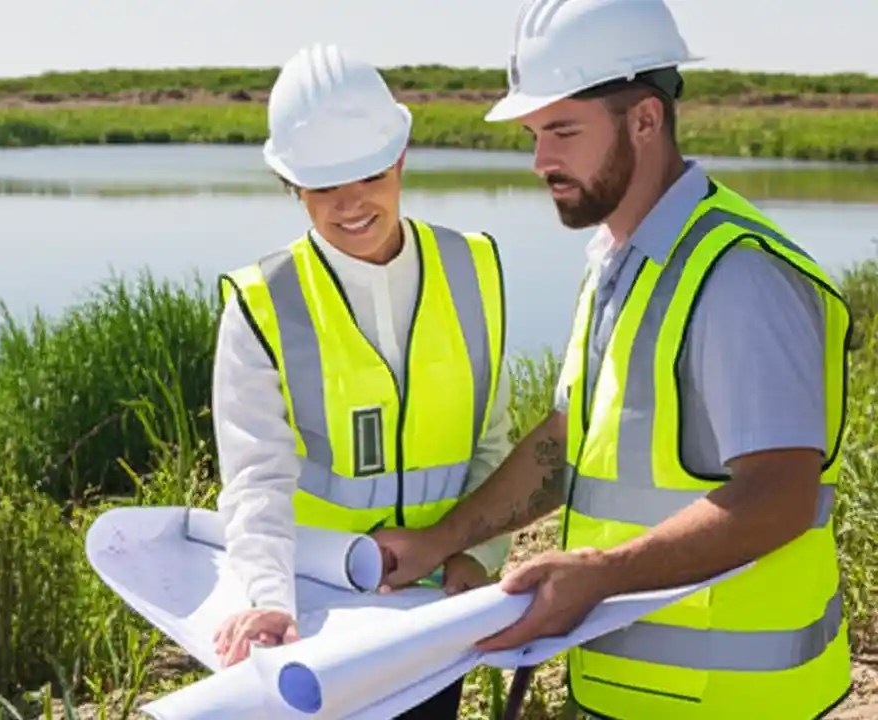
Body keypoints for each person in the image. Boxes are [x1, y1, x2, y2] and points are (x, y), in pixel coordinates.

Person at [372, 1, 855, 718]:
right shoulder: (616, 264)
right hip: (633, 694)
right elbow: (565, 445)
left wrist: (601, 576)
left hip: (735, 705)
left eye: (563, 131)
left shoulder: (739, 277)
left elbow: (778, 496)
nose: (541, 161)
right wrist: (440, 540)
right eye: (536, 134)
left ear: (647, 120)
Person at [209, 42, 515, 717]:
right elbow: (255, 482)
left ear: (400, 159)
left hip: (436, 611)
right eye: (323, 187)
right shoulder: (261, 306)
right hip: (316, 621)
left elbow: (491, 442)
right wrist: (265, 600)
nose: (351, 205)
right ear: (292, 185)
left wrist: (478, 556)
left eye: (369, 177)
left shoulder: (475, 270)